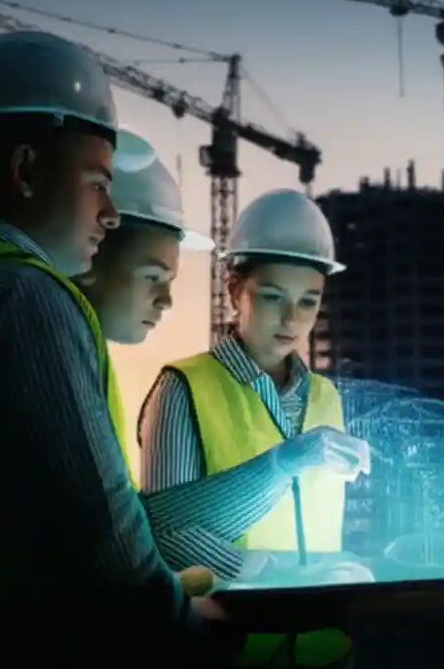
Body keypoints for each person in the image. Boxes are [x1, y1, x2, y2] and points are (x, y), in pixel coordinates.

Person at [0, 30, 232, 666]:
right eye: (97, 182)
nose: (111, 214)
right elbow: (109, 556)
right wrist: (197, 641)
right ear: (27, 169)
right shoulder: (24, 299)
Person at [138, 188, 373, 668]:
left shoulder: (326, 397)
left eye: (308, 302)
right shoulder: (184, 388)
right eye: (272, 297)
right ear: (233, 291)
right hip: (229, 650)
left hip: (323, 648)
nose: (292, 319)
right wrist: (265, 572)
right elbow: (164, 533)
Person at [75, 127, 214, 489]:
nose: (166, 301)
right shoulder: (52, 356)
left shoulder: (85, 358)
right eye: (153, 276)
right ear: (92, 254)